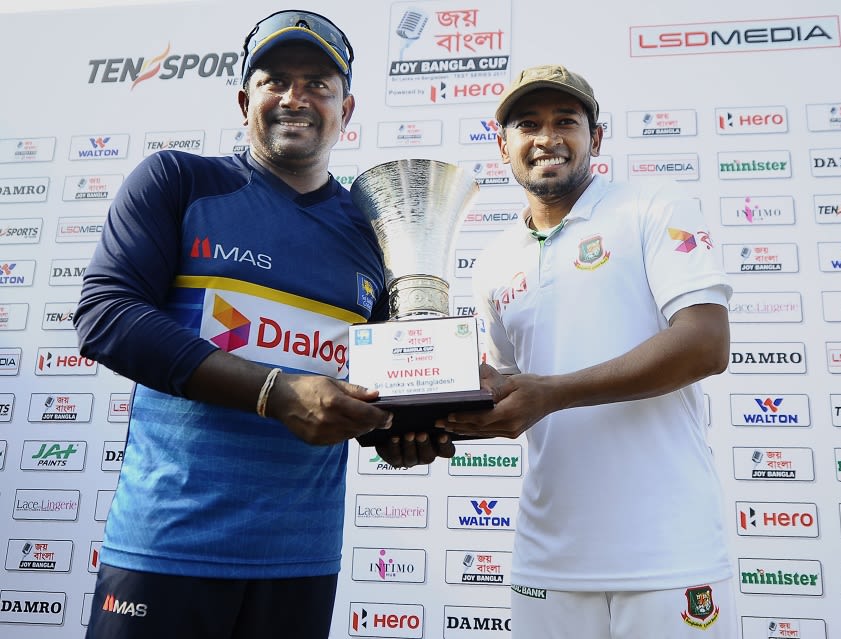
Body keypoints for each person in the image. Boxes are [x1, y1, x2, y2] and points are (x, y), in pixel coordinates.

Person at [75, 10, 451, 638]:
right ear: (244, 97)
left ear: (346, 109)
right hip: (167, 545)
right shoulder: (179, 181)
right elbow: (106, 314)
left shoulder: (374, 233)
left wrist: (405, 429)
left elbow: (376, 382)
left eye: (318, 85)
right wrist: (274, 392)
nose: (295, 99)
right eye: (276, 80)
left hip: (300, 560)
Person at [437, 64, 738, 638]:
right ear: (503, 146)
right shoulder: (495, 259)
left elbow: (705, 343)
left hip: (667, 551)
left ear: (595, 138)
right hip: (547, 557)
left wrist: (552, 393)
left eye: (565, 121)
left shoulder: (653, 204)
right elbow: (503, 385)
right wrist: (420, 409)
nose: (546, 137)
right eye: (527, 124)